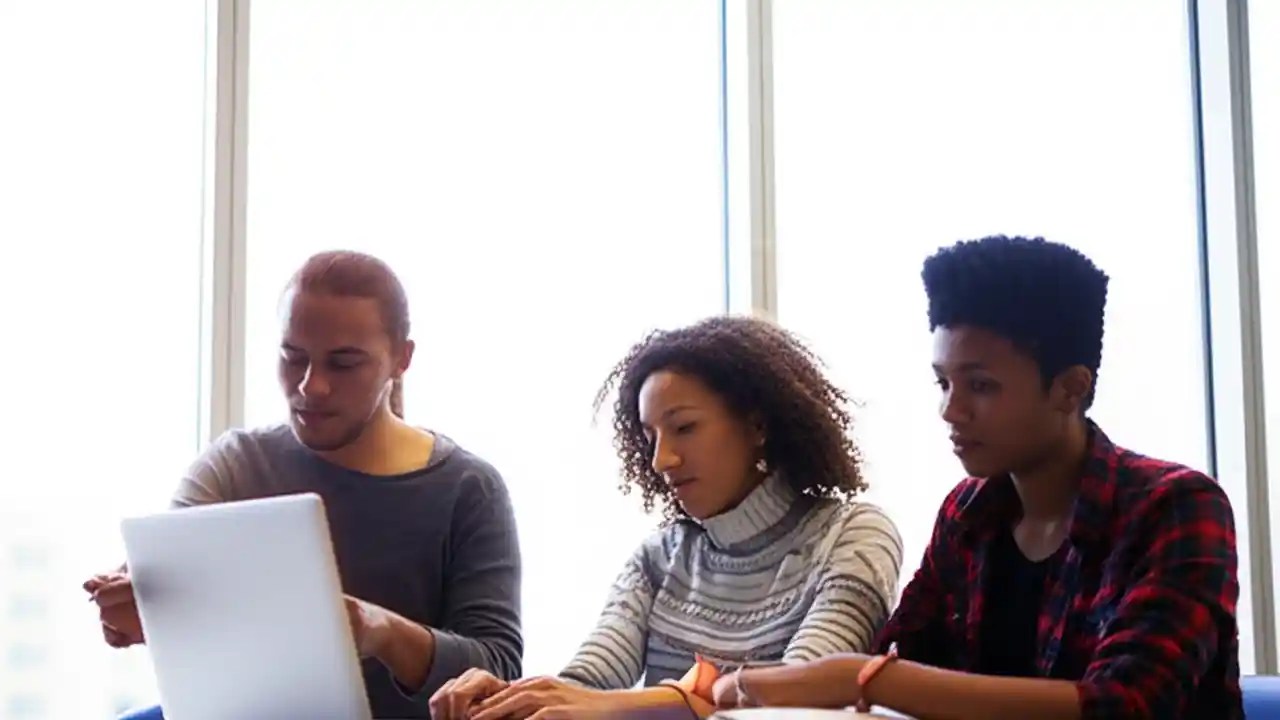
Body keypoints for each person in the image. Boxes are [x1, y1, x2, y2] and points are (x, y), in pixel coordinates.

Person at [712, 236, 1243, 719]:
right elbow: (901, 656)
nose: (951, 410)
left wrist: (865, 677)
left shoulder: (1176, 506)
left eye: (982, 386)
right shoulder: (968, 514)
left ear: (1069, 389)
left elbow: (1125, 705)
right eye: (943, 382)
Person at [83, 250, 523, 719]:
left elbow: (498, 670)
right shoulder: (237, 463)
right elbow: (164, 577)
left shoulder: (467, 489)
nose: (311, 387)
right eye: (293, 358)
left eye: (344, 364)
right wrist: (136, 606)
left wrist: (380, 631)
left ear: (401, 359)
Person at [429, 315, 904, 720]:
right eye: (650, 436)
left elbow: (790, 698)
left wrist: (639, 703)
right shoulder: (659, 557)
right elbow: (586, 683)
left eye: (684, 428)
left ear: (758, 425)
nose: (662, 460)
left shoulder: (854, 535)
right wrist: (517, 700)